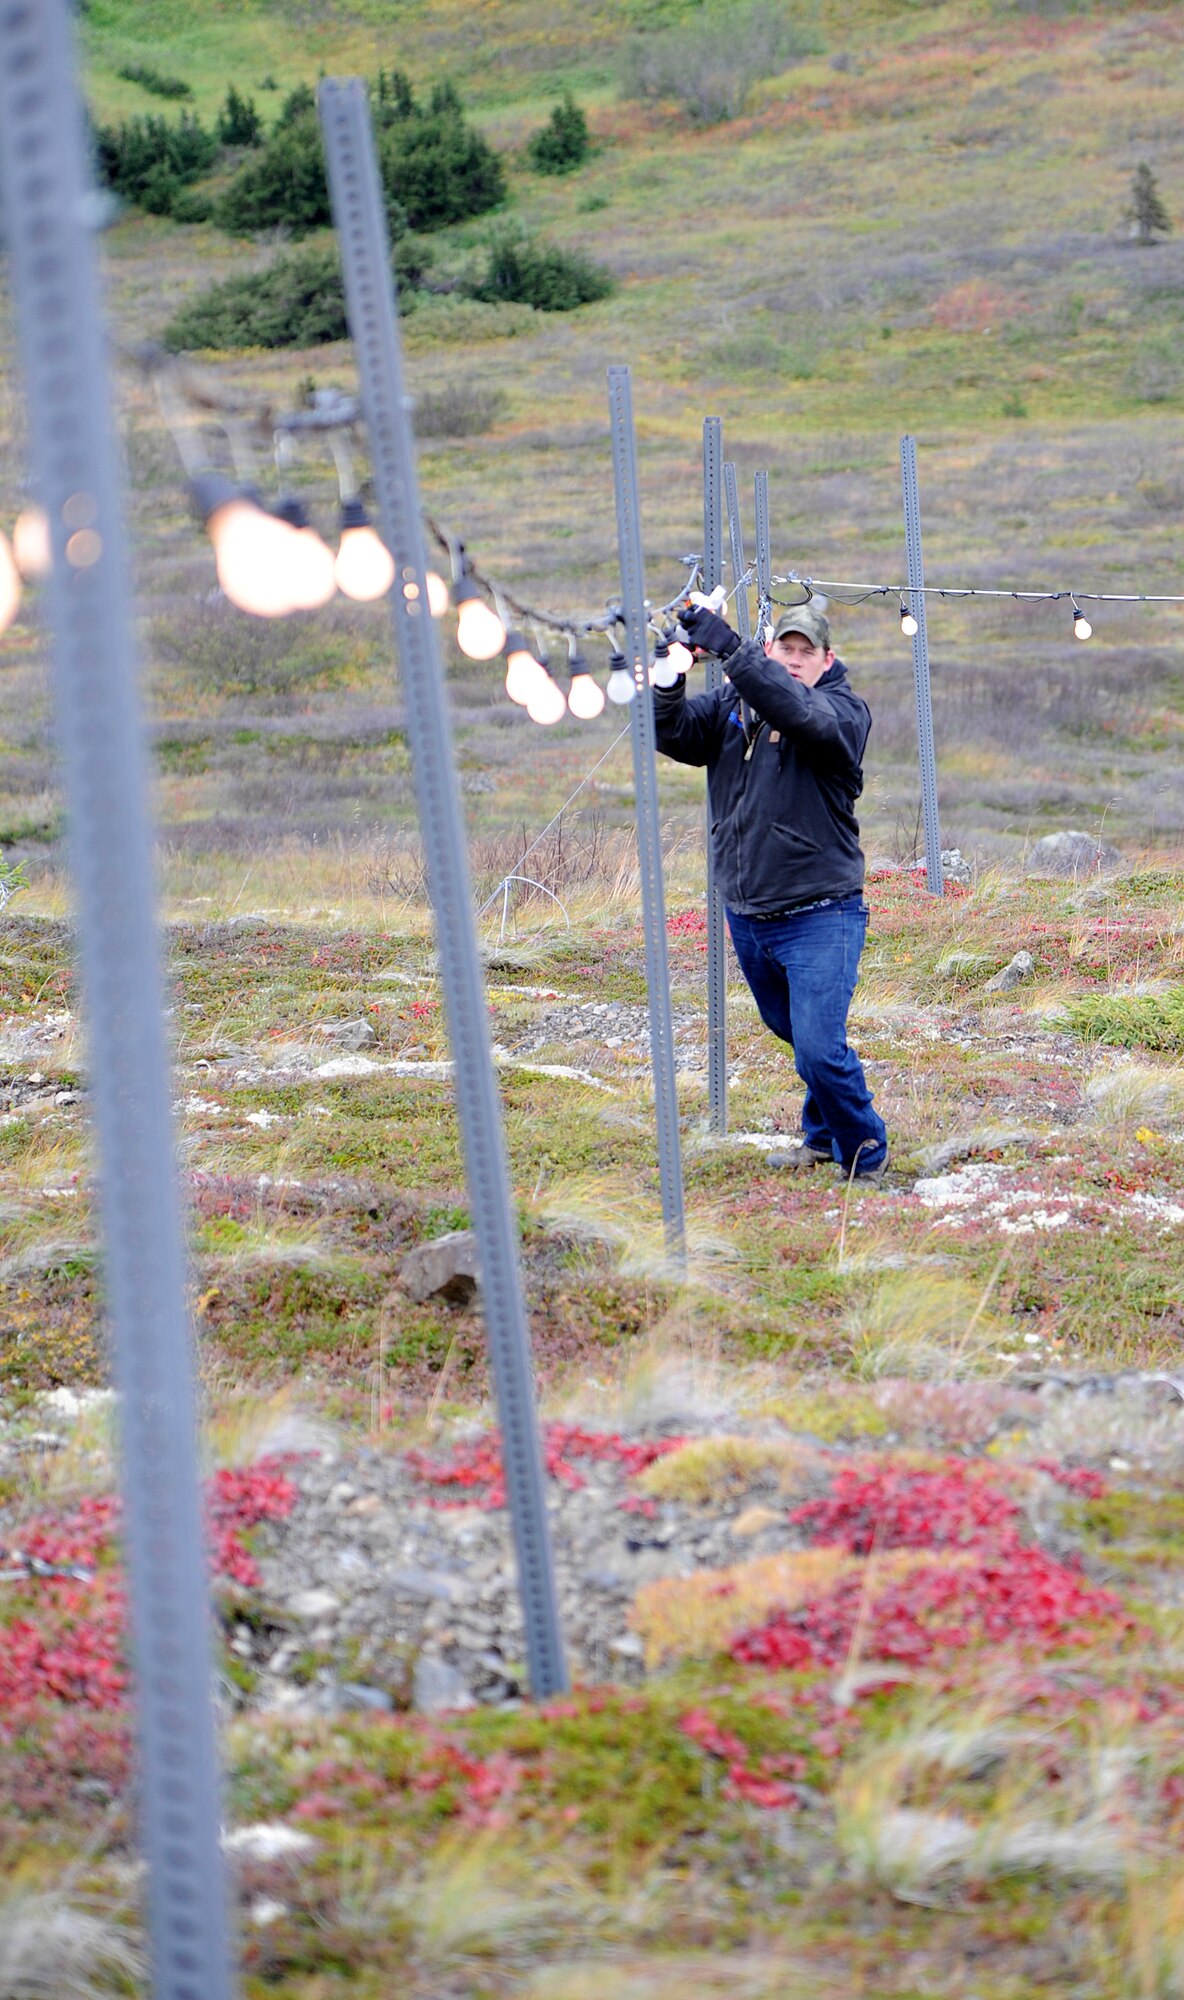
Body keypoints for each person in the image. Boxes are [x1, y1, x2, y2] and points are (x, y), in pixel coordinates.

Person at [654, 597, 888, 1181]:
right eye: (785, 648)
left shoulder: (843, 712)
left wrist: (732, 651)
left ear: (828, 660)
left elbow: (801, 714)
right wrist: (668, 681)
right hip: (750, 913)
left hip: (822, 913)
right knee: (795, 1033)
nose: (794, 660)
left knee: (817, 1047)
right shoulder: (736, 703)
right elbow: (676, 735)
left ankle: (865, 1156)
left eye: (806, 652)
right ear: (770, 651)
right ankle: (822, 1135)